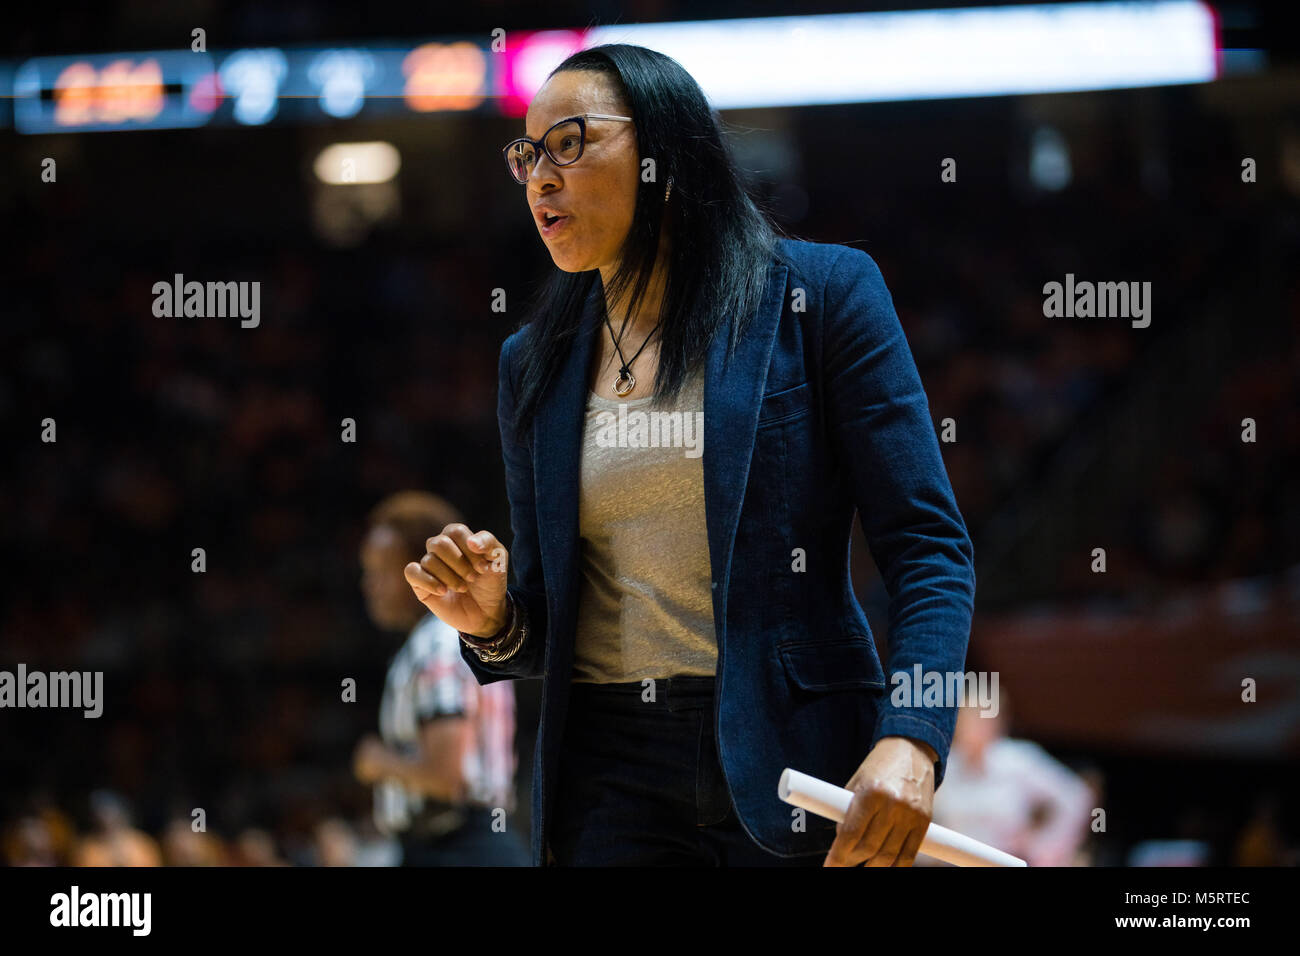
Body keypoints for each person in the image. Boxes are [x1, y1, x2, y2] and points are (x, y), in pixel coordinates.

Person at [404, 44, 975, 866]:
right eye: (526, 154)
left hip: (796, 754)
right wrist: (492, 619)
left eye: (569, 142)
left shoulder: (824, 296)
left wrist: (913, 738)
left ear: (662, 156)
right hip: (608, 773)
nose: (539, 176)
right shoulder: (531, 361)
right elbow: (540, 630)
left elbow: (928, 548)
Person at [355, 491, 528, 866]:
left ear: (422, 570)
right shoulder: (452, 638)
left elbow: (447, 777)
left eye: (381, 571)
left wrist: (378, 762)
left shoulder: (437, 644)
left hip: (457, 848)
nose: (369, 585)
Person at [929, 700, 1093, 867]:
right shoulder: (946, 764)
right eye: (969, 722)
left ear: (998, 724)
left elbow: (1076, 796)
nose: (975, 730)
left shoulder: (1017, 760)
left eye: (982, 721)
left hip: (1006, 861)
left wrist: (1044, 848)